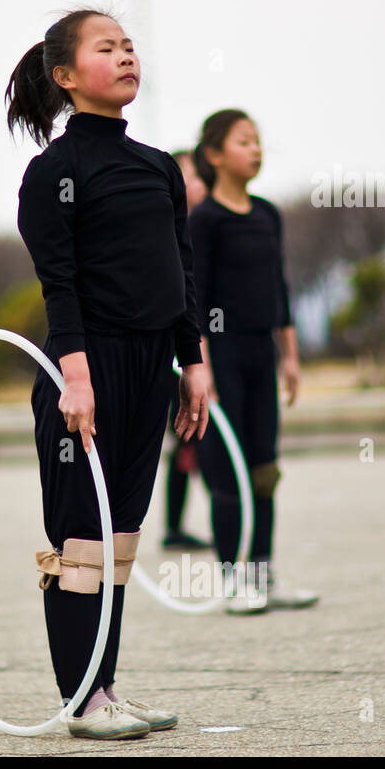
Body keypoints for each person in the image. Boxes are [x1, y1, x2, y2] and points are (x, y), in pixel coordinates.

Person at [8, 8, 211, 740]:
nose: (126, 54)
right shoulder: (53, 172)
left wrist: (194, 363)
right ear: (65, 76)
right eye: (107, 47)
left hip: (150, 366)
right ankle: (83, 699)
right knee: (82, 545)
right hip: (84, 374)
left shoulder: (157, 166)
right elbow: (58, 285)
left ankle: (107, 688)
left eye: (129, 45)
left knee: (121, 538)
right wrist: (77, 378)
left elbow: (180, 272)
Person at [189, 109, 318, 612]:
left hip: (262, 353)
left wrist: (290, 356)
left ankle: (264, 575)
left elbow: (280, 289)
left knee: (264, 467)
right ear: (215, 154)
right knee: (228, 469)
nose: (256, 150)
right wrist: (203, 369)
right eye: (244, 141)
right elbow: (194, 299)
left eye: (259, 141)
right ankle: (232, 580)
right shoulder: (204, 220)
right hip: (221, 356)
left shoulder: (268, 213)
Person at [162, 151, 212, 551]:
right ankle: (173, 528)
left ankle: (228, 514)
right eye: (189, 175)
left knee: (196, 443)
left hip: (203, 353)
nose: (196, 183)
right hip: (181, 359)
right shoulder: (170, 233)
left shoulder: (207, 227)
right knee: (187, 440)